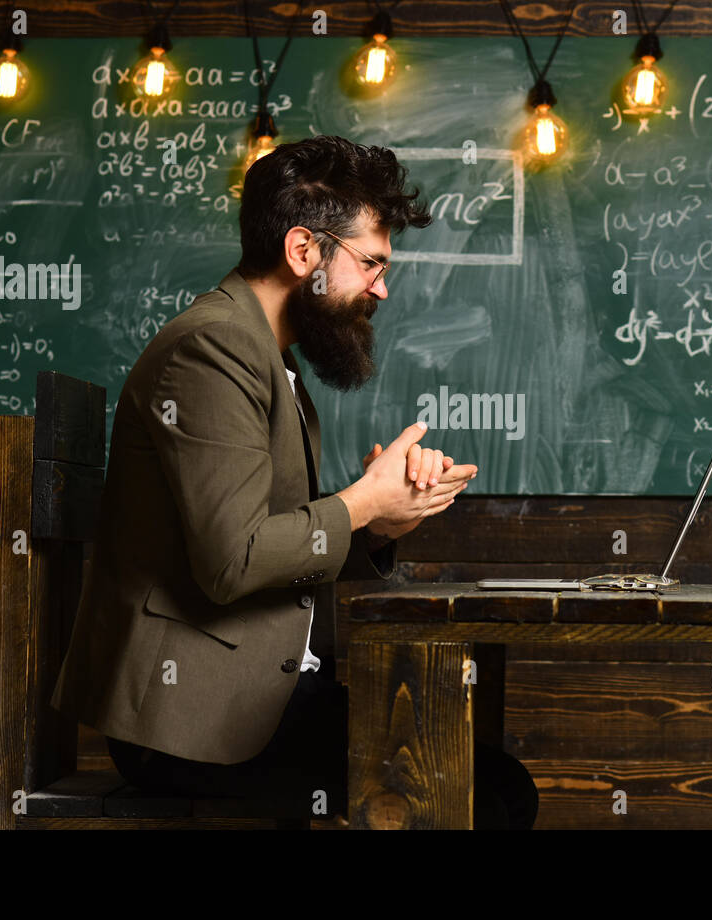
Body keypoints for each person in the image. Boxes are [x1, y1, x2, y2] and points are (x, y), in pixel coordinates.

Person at [51, 135, 538, 829]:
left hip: (259, 694)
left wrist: (382, 521)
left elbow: (274, 544)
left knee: (499, 782)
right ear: (304, 252)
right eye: (370, 263)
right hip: (193, 720)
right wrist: (362, 499)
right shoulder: (212, 350)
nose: (382, 286)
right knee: (479, 795)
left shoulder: (268, 358)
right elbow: (233, 561)